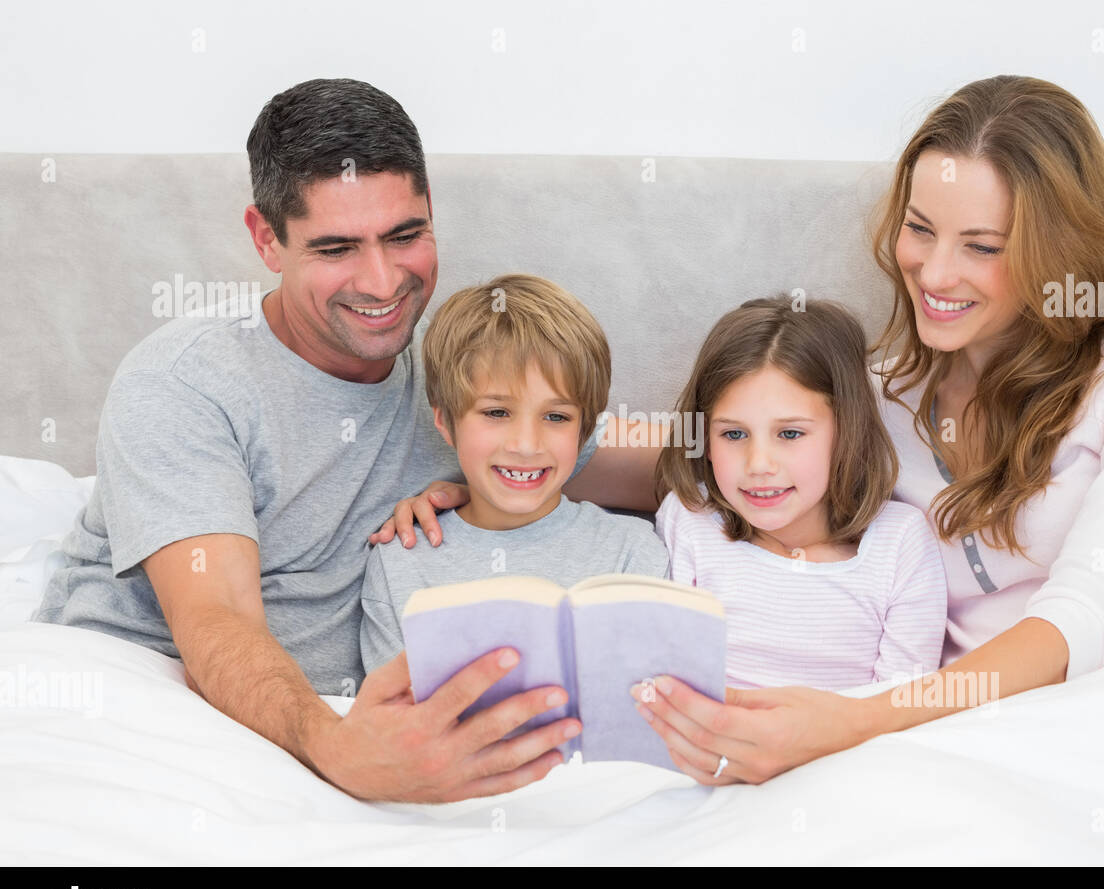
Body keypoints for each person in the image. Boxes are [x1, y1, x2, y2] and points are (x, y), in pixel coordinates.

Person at [387, 74, 1104, 786]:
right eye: (919, 230)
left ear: (1059, 249)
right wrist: (486, 475)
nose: (935, 272)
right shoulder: (887, 393)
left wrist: (853, 722)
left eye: (982, 246)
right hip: (949, 727)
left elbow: (1079, 618)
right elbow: (689, 453)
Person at [33, 78, 660, 804]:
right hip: (152, 702)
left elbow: (675, 465)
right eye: (336, 247)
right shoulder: (184, 383)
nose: (383, 281)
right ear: (266, 238)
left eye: (405, 236)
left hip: (343, 726)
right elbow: (216, 620)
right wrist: (337, 749)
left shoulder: (467, 387)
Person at [361, 274, 669, 673]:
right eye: (497, 412)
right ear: (446, 422)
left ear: (585, 431)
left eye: (556, 416)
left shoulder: (632, 552)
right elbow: (391, 708)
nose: (526, 444)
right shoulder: (400, 564)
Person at [653, 295, 946, 690]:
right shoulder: (690, 521)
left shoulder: (900, 543)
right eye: (733, 434)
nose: (759, 464)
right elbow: (665, 675)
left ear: (846, 432)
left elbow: (898, 703)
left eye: (790, 433)